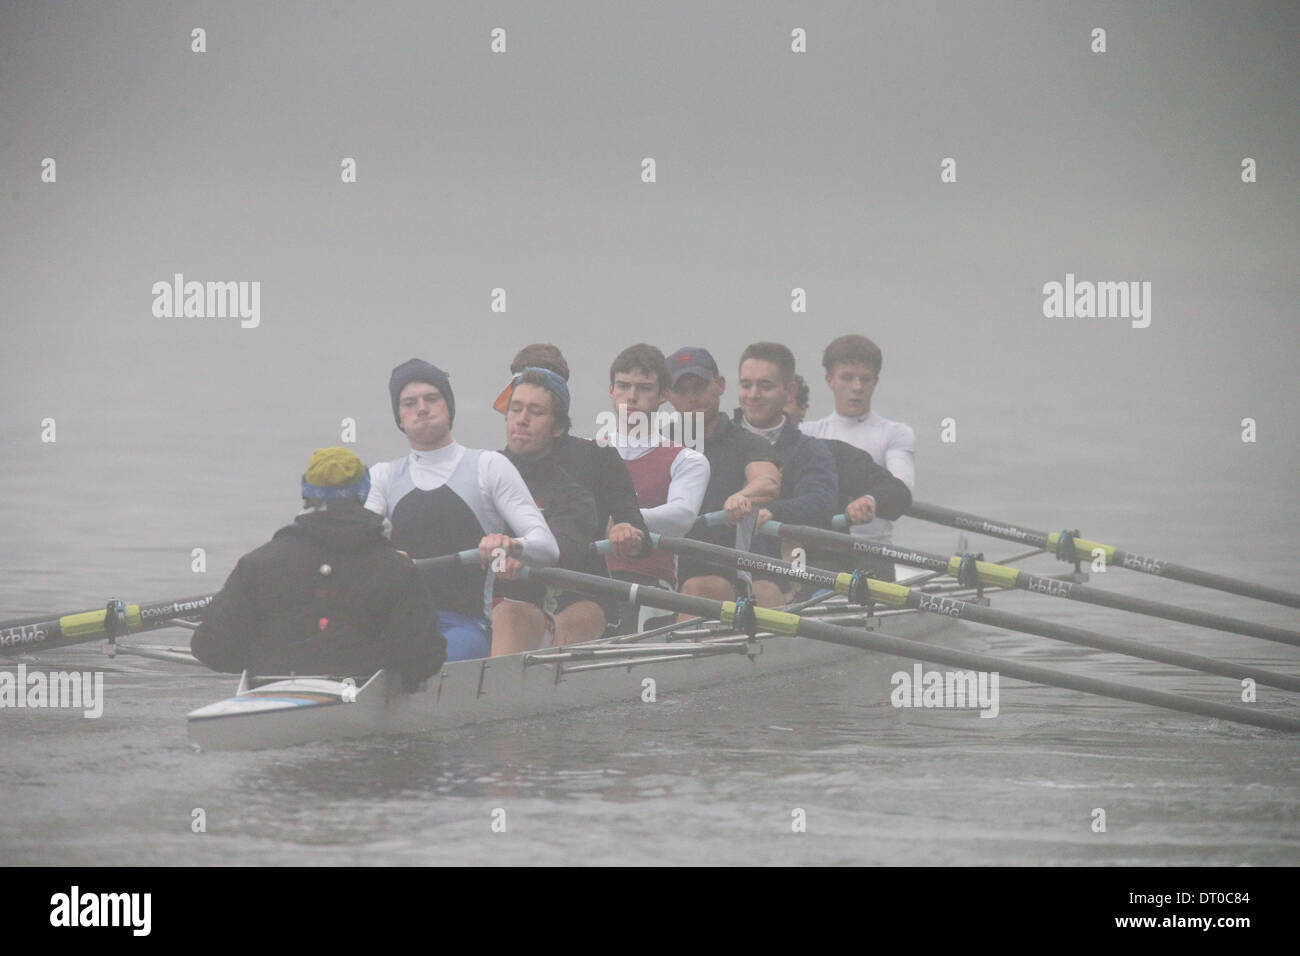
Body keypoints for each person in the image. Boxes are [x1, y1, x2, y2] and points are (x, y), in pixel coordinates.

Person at [191, 447, 443, 690]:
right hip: (361, 699)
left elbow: (211, 649)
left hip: (269, 690)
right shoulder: (396, 568)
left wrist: (262, 657)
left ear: (306, 492)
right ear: (364, 491)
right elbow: (423, 660)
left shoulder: (257, 563)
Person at [366, 359, 559, 661]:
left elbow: (547, 547)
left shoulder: (488, 466)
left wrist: (510, 545)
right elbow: (356, 546)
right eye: (409, 403)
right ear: (399, 418)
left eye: (432, 398)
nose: (422, 408)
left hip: (465, 626)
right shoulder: (382, 477)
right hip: (399, 624)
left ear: (449, 407)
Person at [497, 367, 613, 647]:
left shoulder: (573, 498)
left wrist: (517, 553)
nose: (522, 420)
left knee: (514, 614)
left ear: (558, 427)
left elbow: (559, 552)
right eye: (516, 409)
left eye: (535, 413)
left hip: (542, 603)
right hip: (478, 605)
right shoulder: (477, 475)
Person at [602, 344, 710, 629]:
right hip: (589, 577)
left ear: (663, 395)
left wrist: (621, 520)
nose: (632, 397)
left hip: (649, 583)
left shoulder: (687, 460)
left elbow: (681, 518)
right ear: (611, 391)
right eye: (623, 386)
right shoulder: (585, 453)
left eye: (645, 388)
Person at [664, 346, 780, 607]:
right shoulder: (658, 444)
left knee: (702, 586)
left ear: (720, 385)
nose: (692, 397)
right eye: (682, 390)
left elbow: (768, 483)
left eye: (700, 386)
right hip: (663, 570)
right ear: (668, 395)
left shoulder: (747, 443)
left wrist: (742, 496)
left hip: (727, 570)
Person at [733, 342, 838, 607]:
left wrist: (775, 511)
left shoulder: (809, 450)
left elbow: (821, 503)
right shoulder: (718, 439)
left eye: (765, 386)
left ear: (788, 391)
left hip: (777, 568)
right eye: (746, 385)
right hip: (713, 562)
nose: (753, 395)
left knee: (762, 590)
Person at [800, 334, 915, 548]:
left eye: (865, 379)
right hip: (821, 549)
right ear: (830, 380)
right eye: (847, 377)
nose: (857, 387)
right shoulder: (807, 432)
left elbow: (903, 486)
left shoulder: (895, 433)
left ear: (875, 382)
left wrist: (870, 499)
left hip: (873, 549)